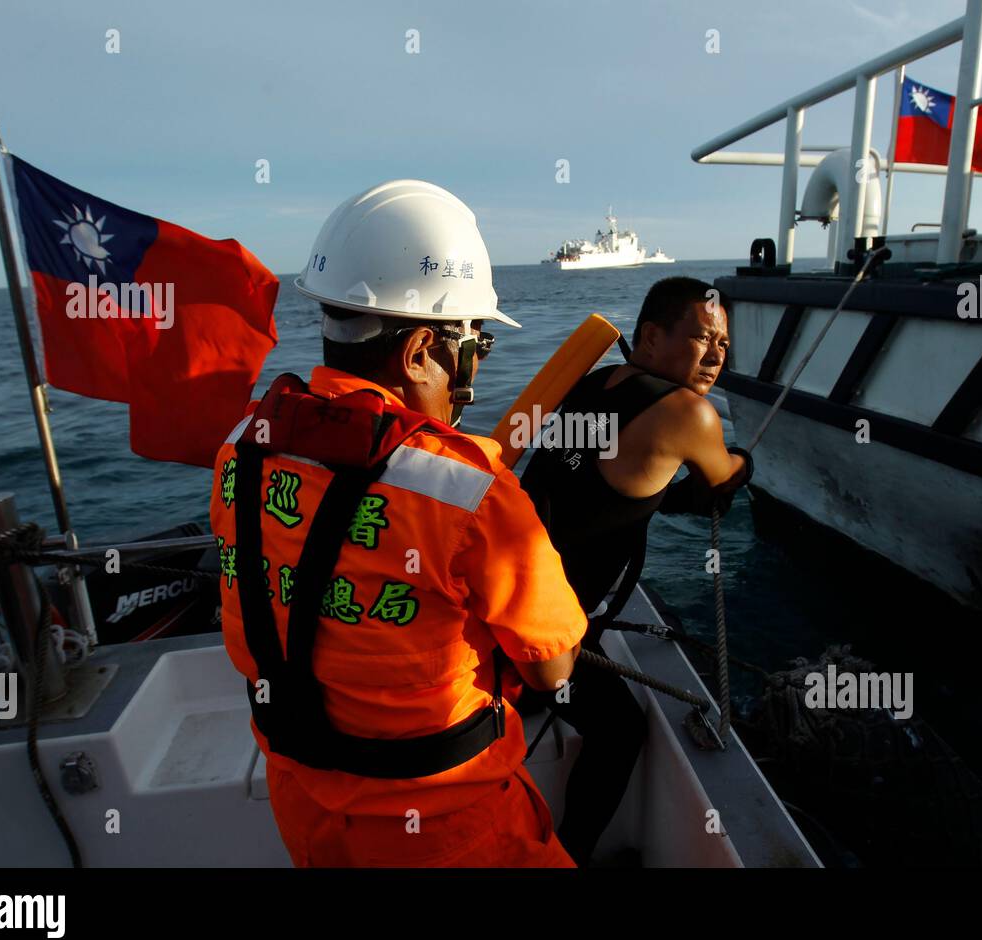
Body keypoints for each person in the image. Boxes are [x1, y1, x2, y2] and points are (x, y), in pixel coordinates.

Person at [210, 180, 587, 867]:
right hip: (446, 824)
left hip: (304, 805)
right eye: (472, 349)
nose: (469, 377)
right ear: (419, 352)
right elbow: (551, 671)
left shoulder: (242, 444)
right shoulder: (471, 490)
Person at [518, 275, 752, 866]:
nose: (716, 354)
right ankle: (569, 858)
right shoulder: (689, 414)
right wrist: (744, 461)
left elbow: (598, 482)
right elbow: (720, 483)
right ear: (650, 337)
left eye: (723, 343)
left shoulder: (595, 382)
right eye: (702, 337)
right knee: (622, 731)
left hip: (508, 595)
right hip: (541, 635)